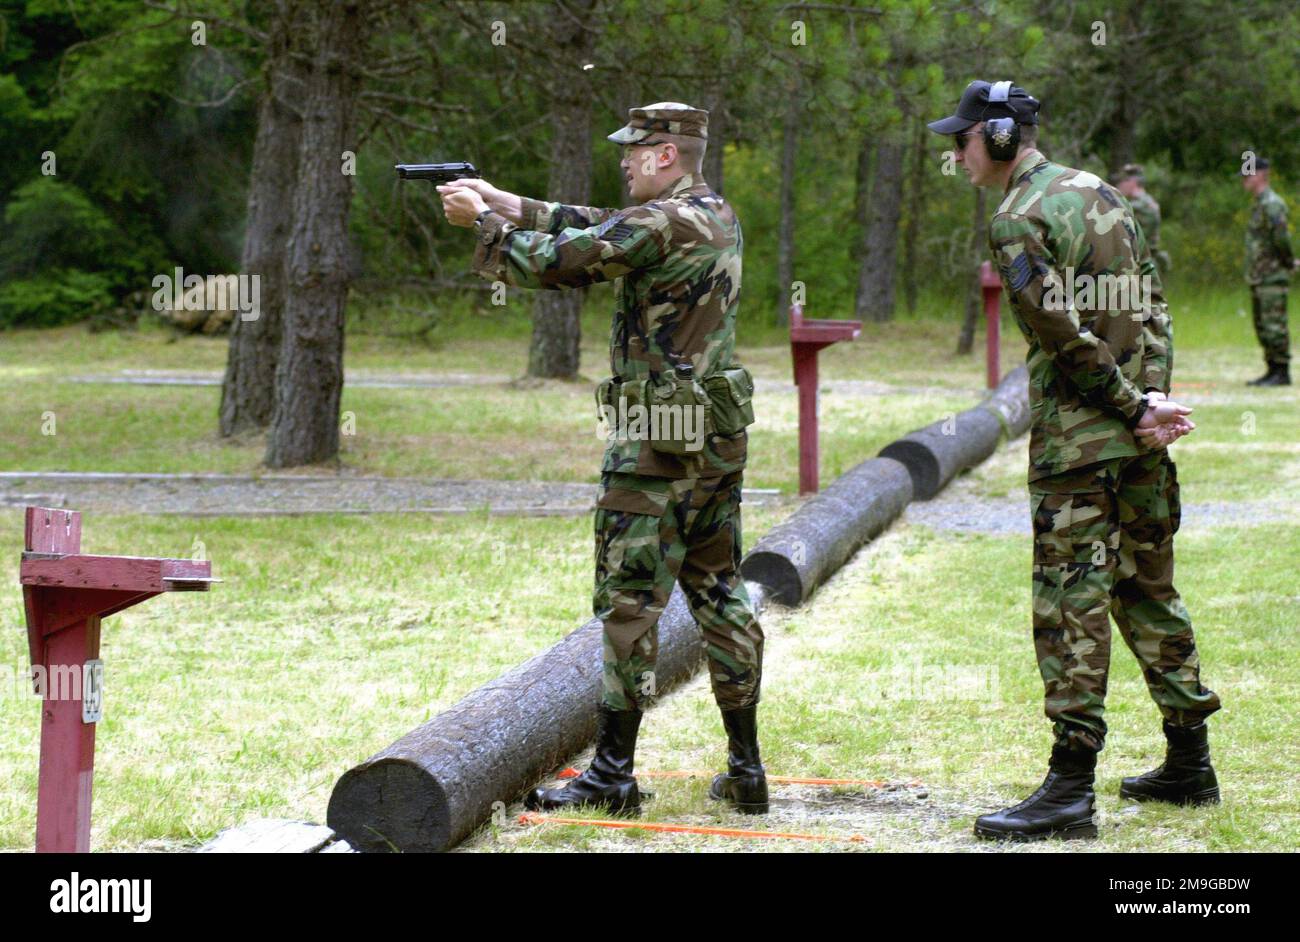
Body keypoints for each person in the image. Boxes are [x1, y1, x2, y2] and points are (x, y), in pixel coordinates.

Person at [437, 103, 768, 815]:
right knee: (720, 593)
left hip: (658, 438)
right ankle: (747, 769)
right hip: (715, 433)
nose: (624, 158)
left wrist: (485, 227)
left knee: (628, 604)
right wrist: (510, 201)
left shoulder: (659, 223)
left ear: (668, 155)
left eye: (636, 149)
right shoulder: (712, 212)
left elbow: (569, 259)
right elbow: (600, 221)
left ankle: (612, 776)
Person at [928, 80, 1222, 842]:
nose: (952, 153)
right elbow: (1151, 301)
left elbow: (1065, 338)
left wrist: (1132, 406)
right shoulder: (1100, 192)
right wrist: (1152, 398)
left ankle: (1068, 789)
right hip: (1138, 440)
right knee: (1147, 589)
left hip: (1081, 446)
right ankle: (1190, 761)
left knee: (1071, 607)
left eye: (959, 139)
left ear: (996, 139)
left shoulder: (1016, 219)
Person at [1241, 157, 1296, 386]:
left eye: (1248, 175)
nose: (1244, 180)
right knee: (1263, 324)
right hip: (1260, 275)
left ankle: (1281, 372)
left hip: (1272, 275)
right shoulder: (1260, 203)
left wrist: (1288, 262)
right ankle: (1272, 369)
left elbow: (1281, 238)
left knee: (1274, 325)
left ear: (1262, 175)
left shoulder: (1272, 203)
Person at [1113, 163, 1170, 278]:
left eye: (1121, 182)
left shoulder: (1137, 206)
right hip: (1146, 263)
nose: (1118, 186)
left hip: (1139, 266)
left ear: (1132, 182)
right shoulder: (1148, 201)